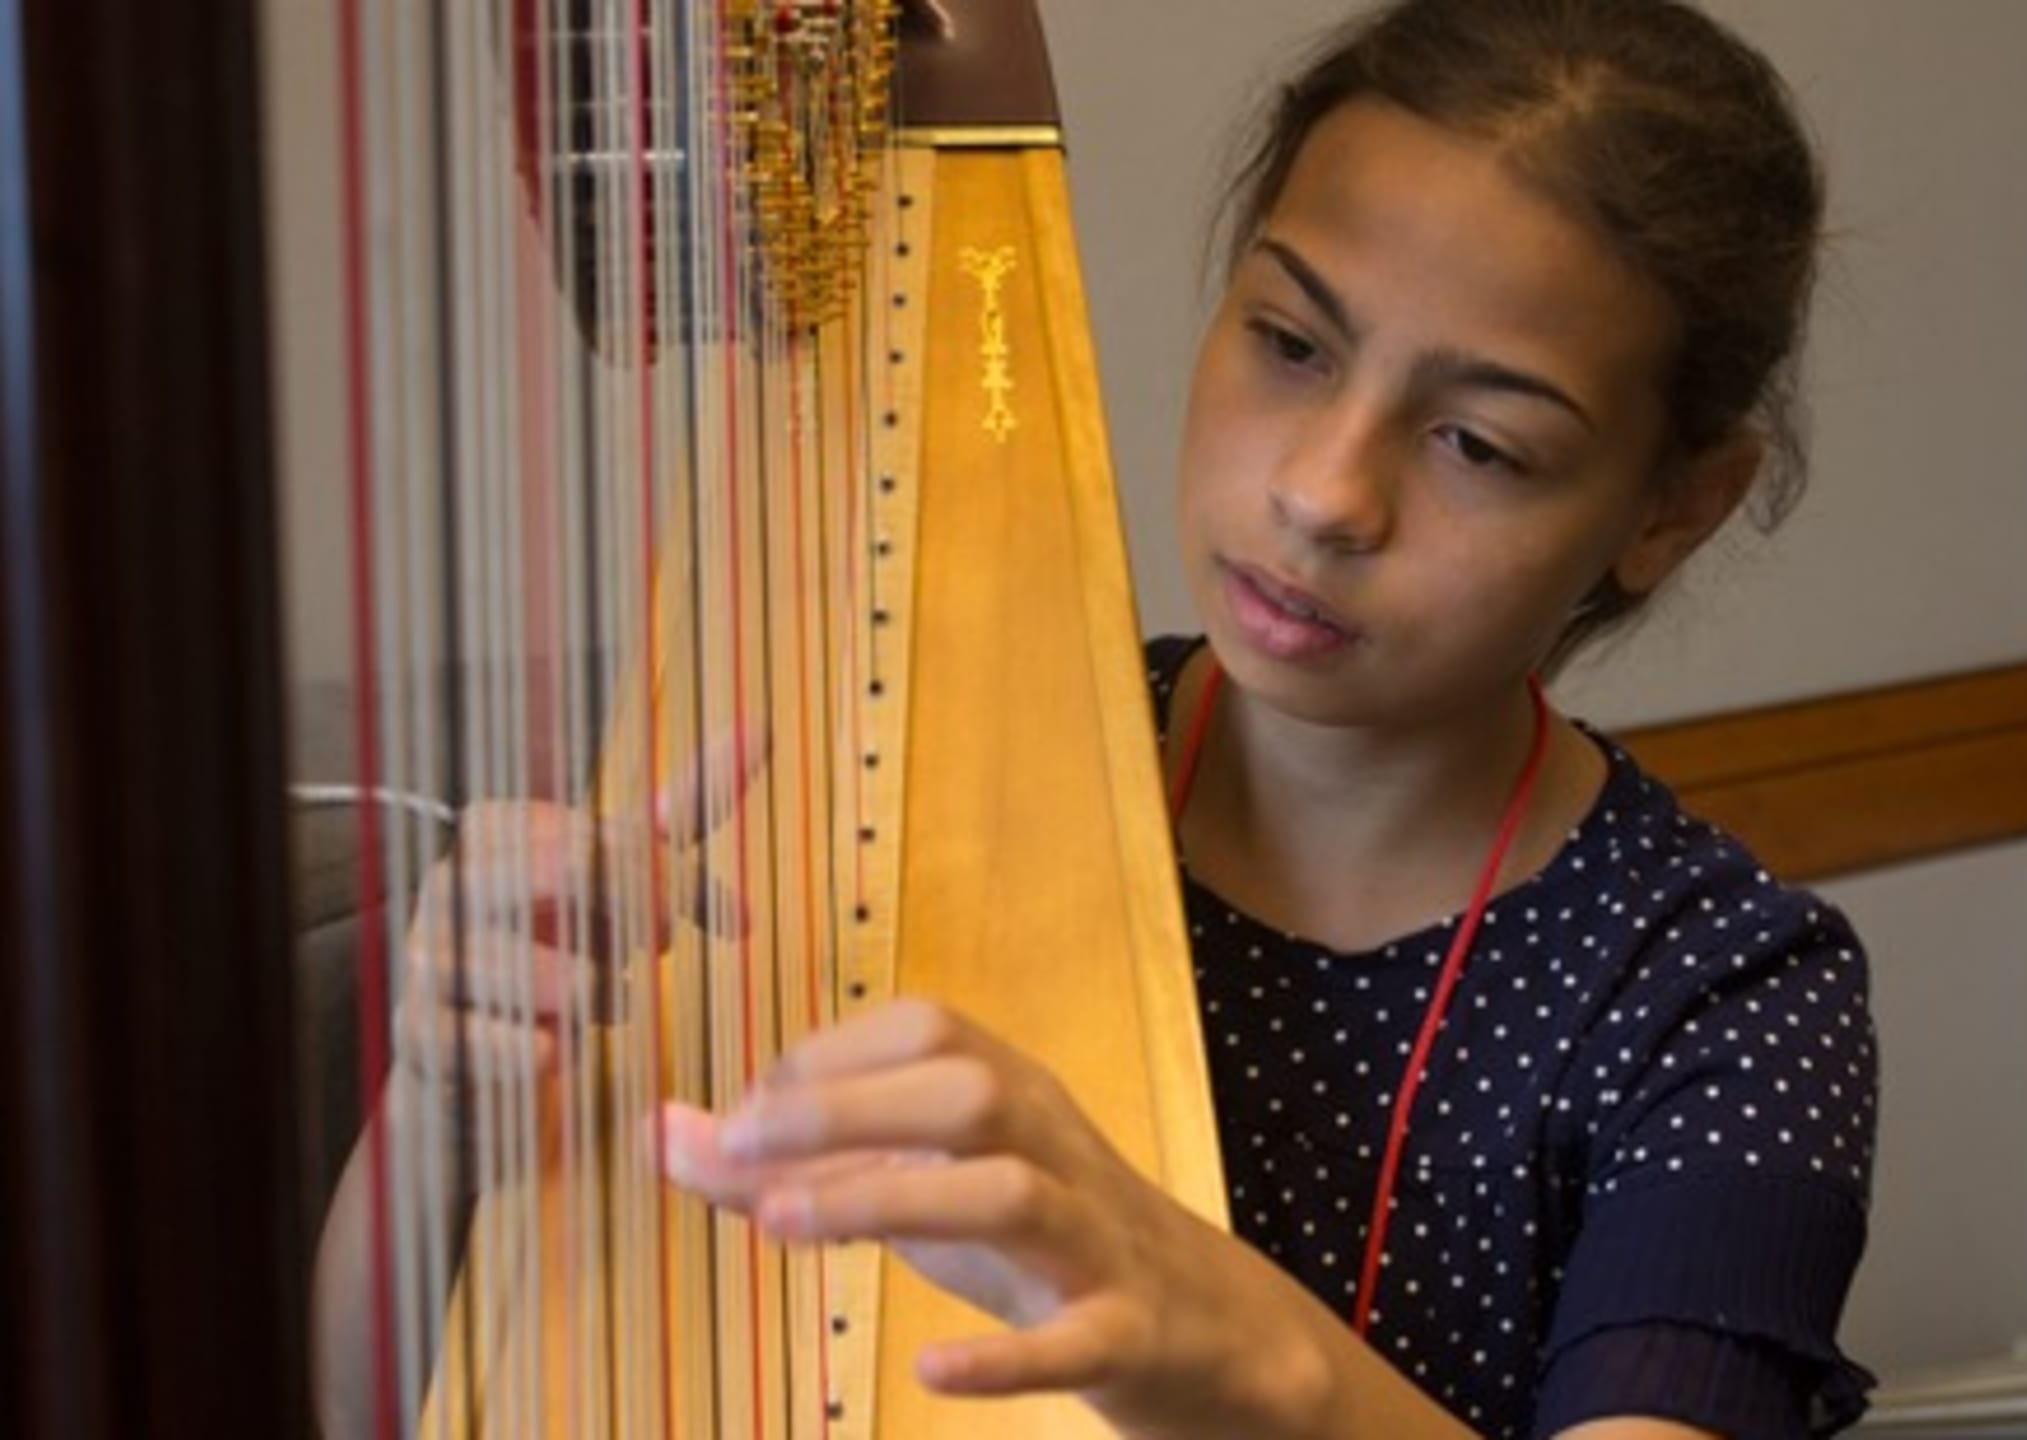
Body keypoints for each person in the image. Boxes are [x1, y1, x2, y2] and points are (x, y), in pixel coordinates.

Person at [317, 1, 1878, 1436]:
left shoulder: (1722, 1002)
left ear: (1673, 507)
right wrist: (442, 1111)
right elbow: (349, 1396)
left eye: (1476, 441)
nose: (1323, 491)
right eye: (1288, 343)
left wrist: (1218, 1333)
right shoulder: (909, 759)